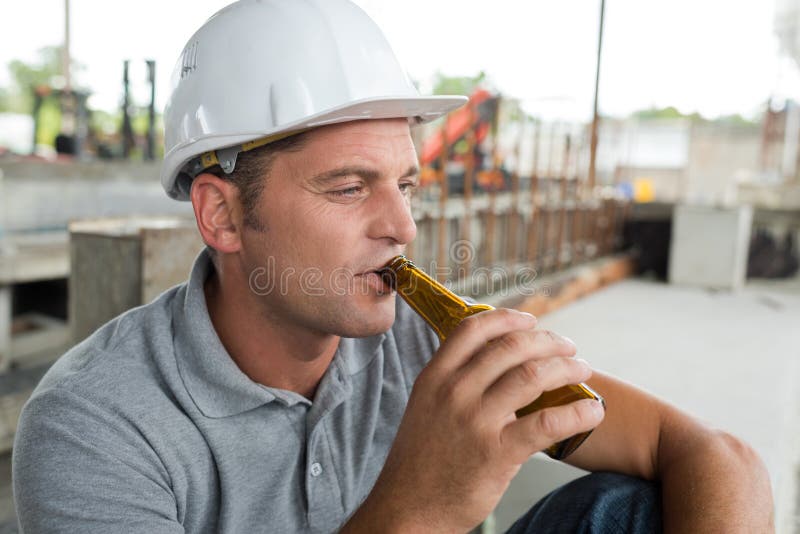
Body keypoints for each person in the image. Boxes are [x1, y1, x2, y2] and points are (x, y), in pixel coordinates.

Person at [13, 1, 773, 532]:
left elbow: (718, 455)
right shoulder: (92, 426)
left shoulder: (425, 341)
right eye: (348, 187)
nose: (403, 226)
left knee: (630, 512)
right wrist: (423, 506)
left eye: (405, 184)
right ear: (222, 215)